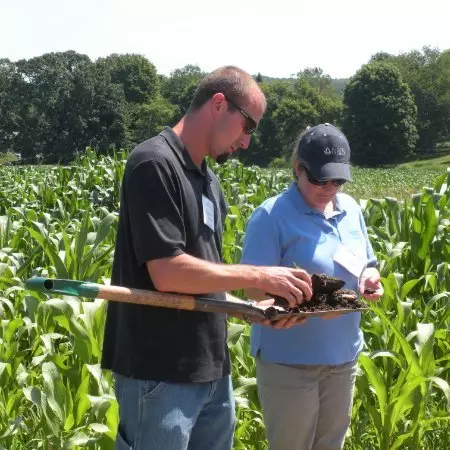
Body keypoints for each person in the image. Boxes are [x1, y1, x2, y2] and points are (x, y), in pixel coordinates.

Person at [100, 66, 313, 450]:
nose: (247, 142)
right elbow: (167, 272)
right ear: (219, 104)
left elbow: (203, 280)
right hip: (159, 372)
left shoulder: (208, 180)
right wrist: (261, 275)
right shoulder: (154, 163)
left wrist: (257, 310)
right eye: (248, 126)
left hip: (211, 370)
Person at [240, 123, 384, 450]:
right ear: (297, 168)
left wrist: (369, 280)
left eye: (338, 180)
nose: (329, 187)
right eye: (319, 179)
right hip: (289, 361)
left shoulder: (351, 211)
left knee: (331, 444)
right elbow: (253, 290)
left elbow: (367, 264)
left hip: (343, 356)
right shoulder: (271, 216)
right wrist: (313, 305)